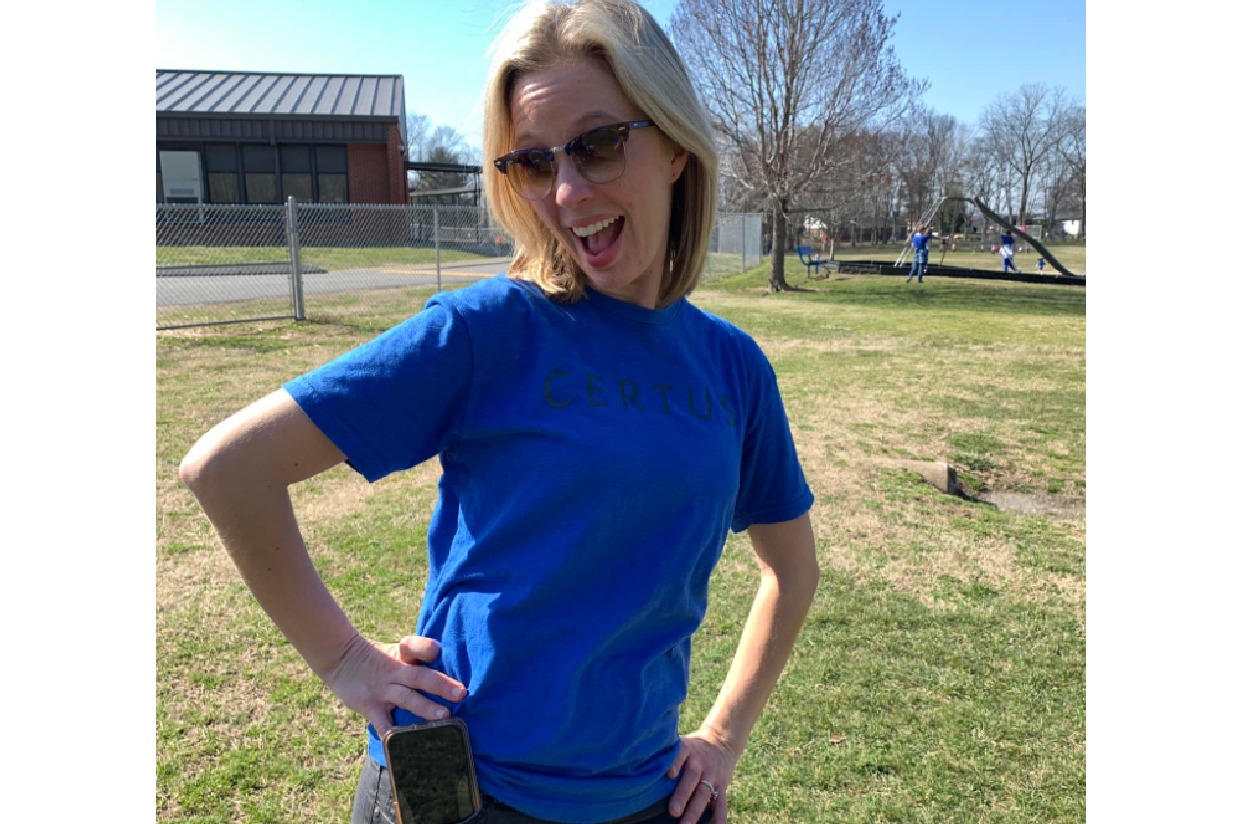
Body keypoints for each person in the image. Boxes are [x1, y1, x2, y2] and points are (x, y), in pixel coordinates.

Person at [178, 2, 819, 823]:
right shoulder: (485, 332)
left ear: (675, 148)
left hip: (644, 798)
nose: (566, 191)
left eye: (597, 144)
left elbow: (790, 570)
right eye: (530, 162)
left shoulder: (733, 368)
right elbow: (230, 468)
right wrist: (348, 662)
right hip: (462, 793)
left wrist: (724, 739)